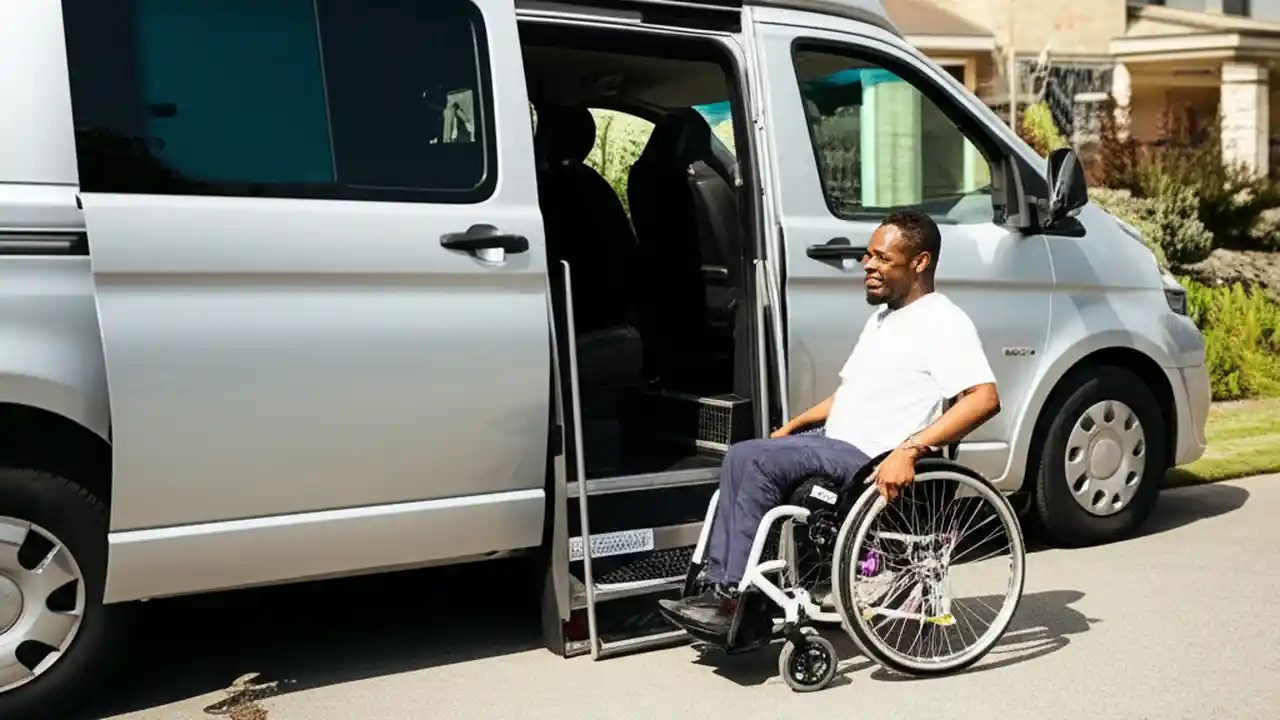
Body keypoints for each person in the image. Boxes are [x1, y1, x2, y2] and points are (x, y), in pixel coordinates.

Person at [658, 209, 1002, 632]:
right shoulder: (884, 320)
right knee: (744, 454)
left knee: (753, 460)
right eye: (867, 256)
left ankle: (734, 599)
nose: (867, 265)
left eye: (881, 258)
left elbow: (983, 399)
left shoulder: (943, 323)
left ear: (920, 262)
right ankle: (722, 586)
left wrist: (909, 452)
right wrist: (792, 426)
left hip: (866, 459)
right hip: (834, 442)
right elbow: (849, 394)